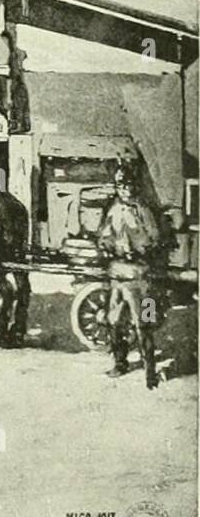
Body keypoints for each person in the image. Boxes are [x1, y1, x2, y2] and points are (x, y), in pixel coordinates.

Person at [96, 165, 167, 389]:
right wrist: (107, 246)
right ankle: (120, 363)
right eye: (120, 185)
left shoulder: (142, 210)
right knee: (114, 321)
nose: (124, 190)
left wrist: (138, 249)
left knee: (142, 324)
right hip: (117, 275)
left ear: (134, 187)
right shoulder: (114, 209)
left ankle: (150, 372)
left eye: (127, 185)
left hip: (139, 276)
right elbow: (103, 235)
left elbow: (154, 238)